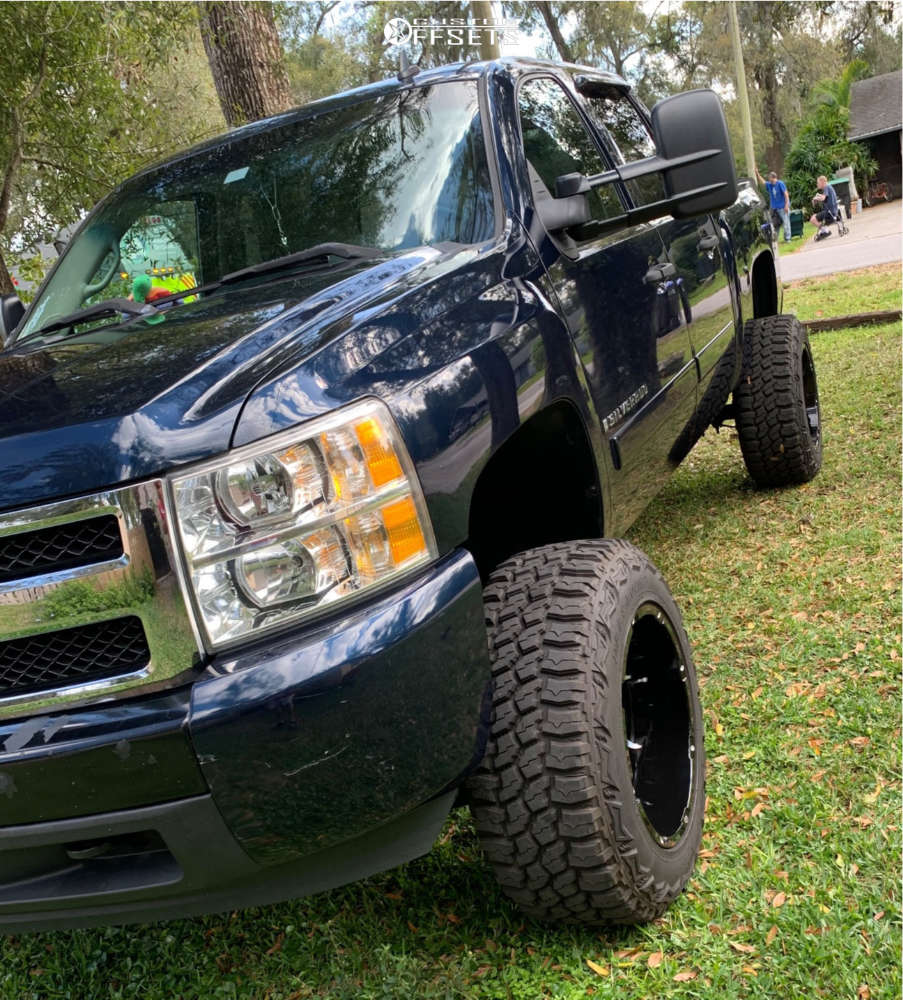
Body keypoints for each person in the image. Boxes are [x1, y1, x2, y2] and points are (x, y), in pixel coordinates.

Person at [754, 166, 791, 243]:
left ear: (773, 178)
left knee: (786, 223)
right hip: (774, 209)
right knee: (775, 224)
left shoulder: (780, 183)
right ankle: (775, 240)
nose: (768, 179)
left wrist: (786, 205)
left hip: (782, 208)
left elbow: (786, 194)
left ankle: (787, 239)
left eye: (769, 178)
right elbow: (763, 182)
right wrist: (757, 174)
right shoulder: (770, 185)